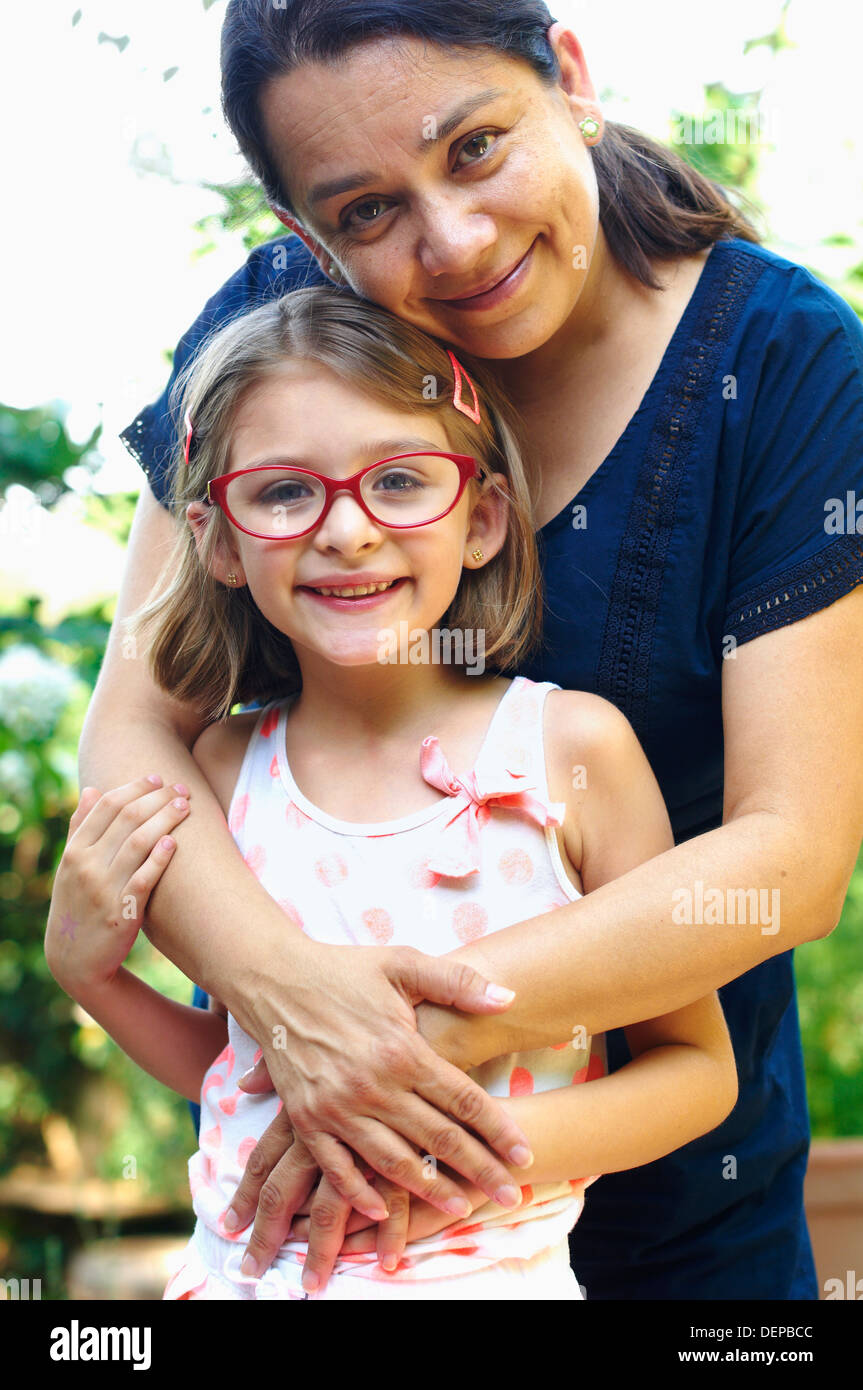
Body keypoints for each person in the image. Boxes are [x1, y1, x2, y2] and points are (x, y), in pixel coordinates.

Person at [78, 0, 863, 1301]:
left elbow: (787, 855)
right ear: (300, 234)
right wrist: (284, 995)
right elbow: (134, 728)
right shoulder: (279, 331)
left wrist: (403, 1031)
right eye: (364, 211)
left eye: (473, 147)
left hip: (675, 1213)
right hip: (321, 1224)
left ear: (565, 75)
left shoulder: (781, 364)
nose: (450, 240)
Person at [46, 287, 738, 1299]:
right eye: (284, 493)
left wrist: (450, 1150)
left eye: (400, 481)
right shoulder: (221, 777)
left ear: (481, 518)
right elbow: (236, 1074)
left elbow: (696, 1069)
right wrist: (93, 978)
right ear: (218, 540)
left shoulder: (569, 751)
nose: (347, 531)